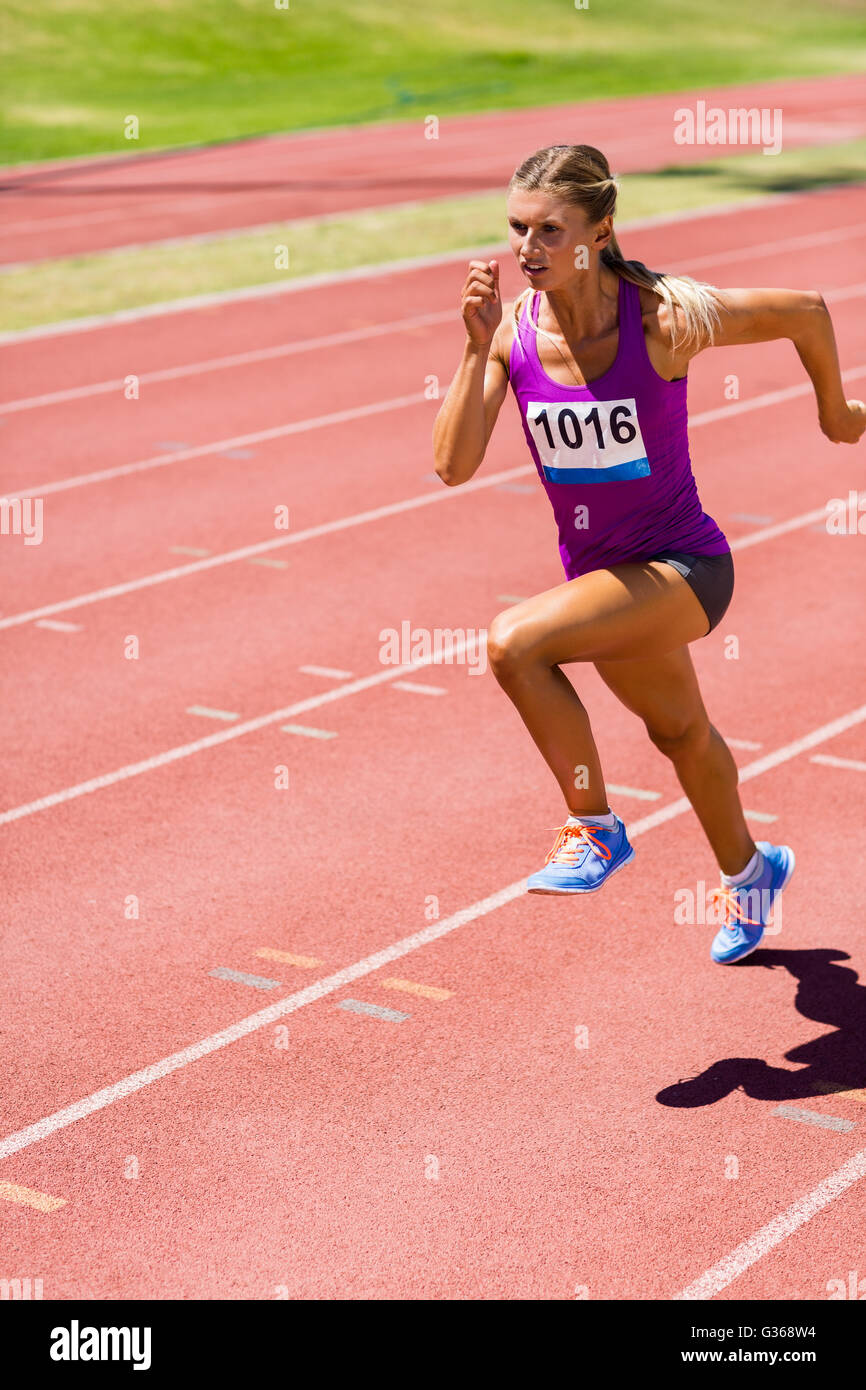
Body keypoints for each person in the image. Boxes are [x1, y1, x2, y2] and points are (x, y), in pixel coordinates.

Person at [432, 143, 865, 964]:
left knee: (513, 644)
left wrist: (838, 413)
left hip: (686, 570)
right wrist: (471, 346)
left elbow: (806, 308)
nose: (527, 249)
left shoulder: (663, 320)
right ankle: (752, 871)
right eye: (518, 229)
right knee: (681, 735)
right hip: (604, 583)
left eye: (550, 231)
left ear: (600, 232)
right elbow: (451, 466)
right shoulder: (513, 336)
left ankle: (593, 827)